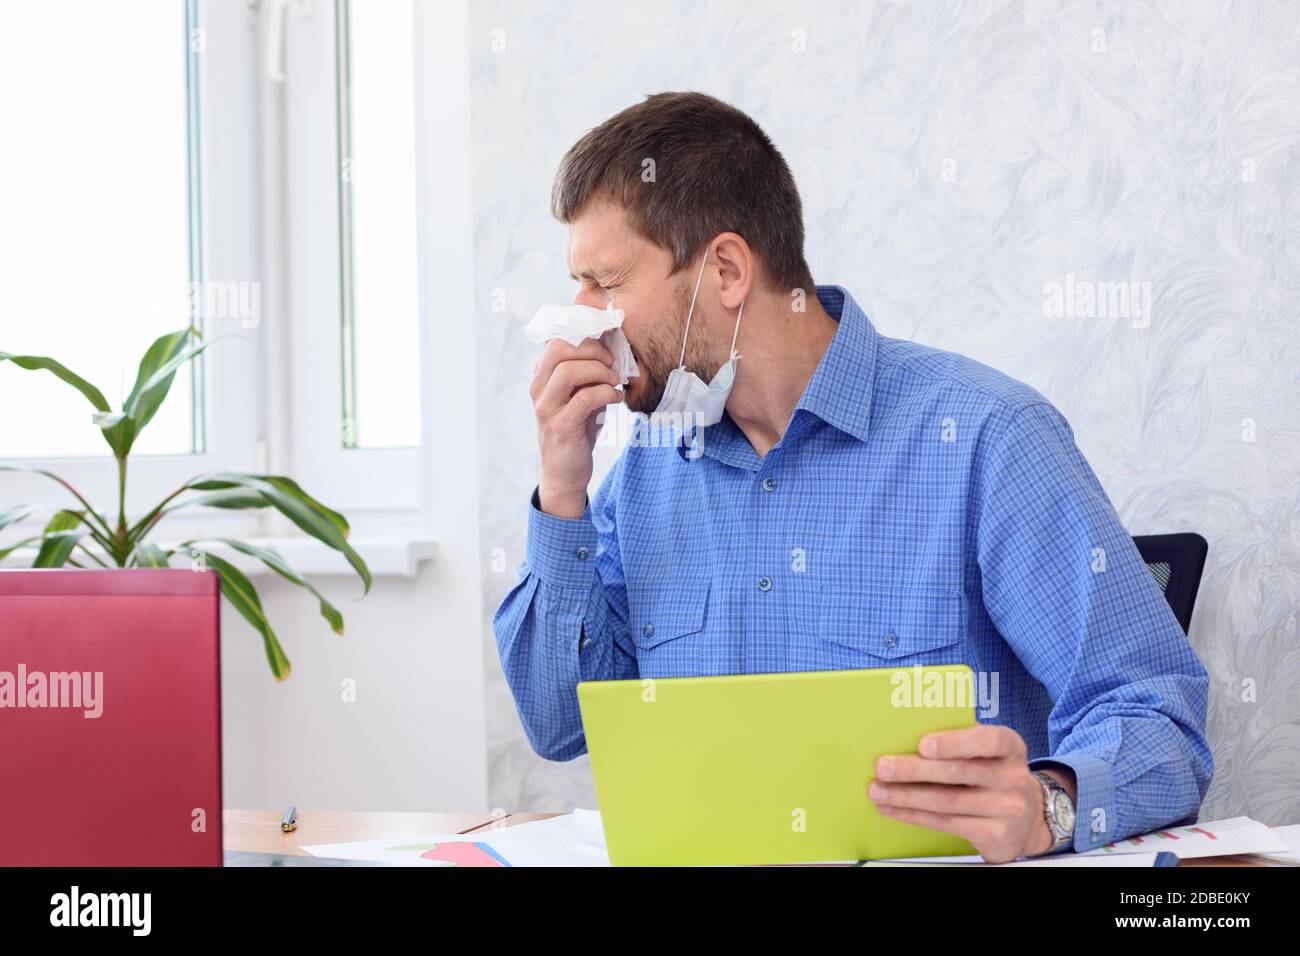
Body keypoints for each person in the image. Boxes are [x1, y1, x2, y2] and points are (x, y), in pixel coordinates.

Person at [494, 91, 1212, 863]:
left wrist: (1049, 805)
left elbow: (1154, 714)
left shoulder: (985, 438)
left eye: (605, 283)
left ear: (727, 270)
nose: (580, 319)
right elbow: (558, 725)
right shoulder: (645, 471)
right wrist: (561, 489)